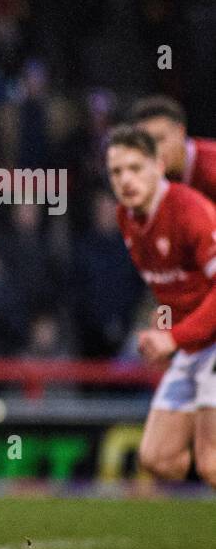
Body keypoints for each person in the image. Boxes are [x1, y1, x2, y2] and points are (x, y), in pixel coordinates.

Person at [107, 125, 216, 487]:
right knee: (158, 458)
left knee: (212, 462)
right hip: (194, 344)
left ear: (158, 165)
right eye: (117, 172)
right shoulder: (128, 218)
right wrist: (165, 323)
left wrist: (174, 337)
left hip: (207, 340)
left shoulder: (191, 212)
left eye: (135, 168)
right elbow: (174, 285)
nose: (126, 180)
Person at [129, 96, 216, 202]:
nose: (154, 150)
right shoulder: (147, 175)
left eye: (159, 139)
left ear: (181, 132)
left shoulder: (212, 168)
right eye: (146, 143)